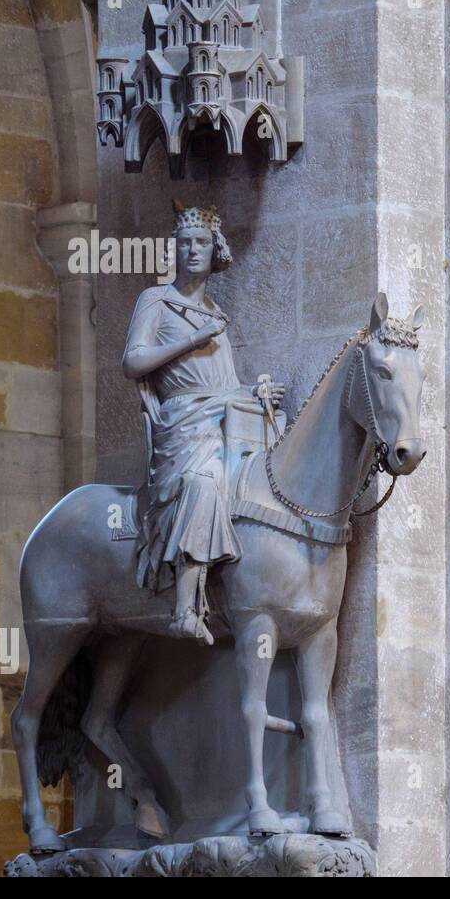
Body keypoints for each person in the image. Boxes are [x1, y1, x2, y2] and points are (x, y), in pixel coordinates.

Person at [122, 202, 286, 644]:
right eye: (185, 243)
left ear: (215, 253)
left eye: (201, 244)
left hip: (222, 415)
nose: (192, 251)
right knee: (205, 480)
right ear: (174, 250)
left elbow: (225, 382)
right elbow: (133, 362)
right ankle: (183, 609)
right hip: (184, 420)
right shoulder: (157, 301)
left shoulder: (215, 311)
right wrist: (192, 338)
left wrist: (256, 392)